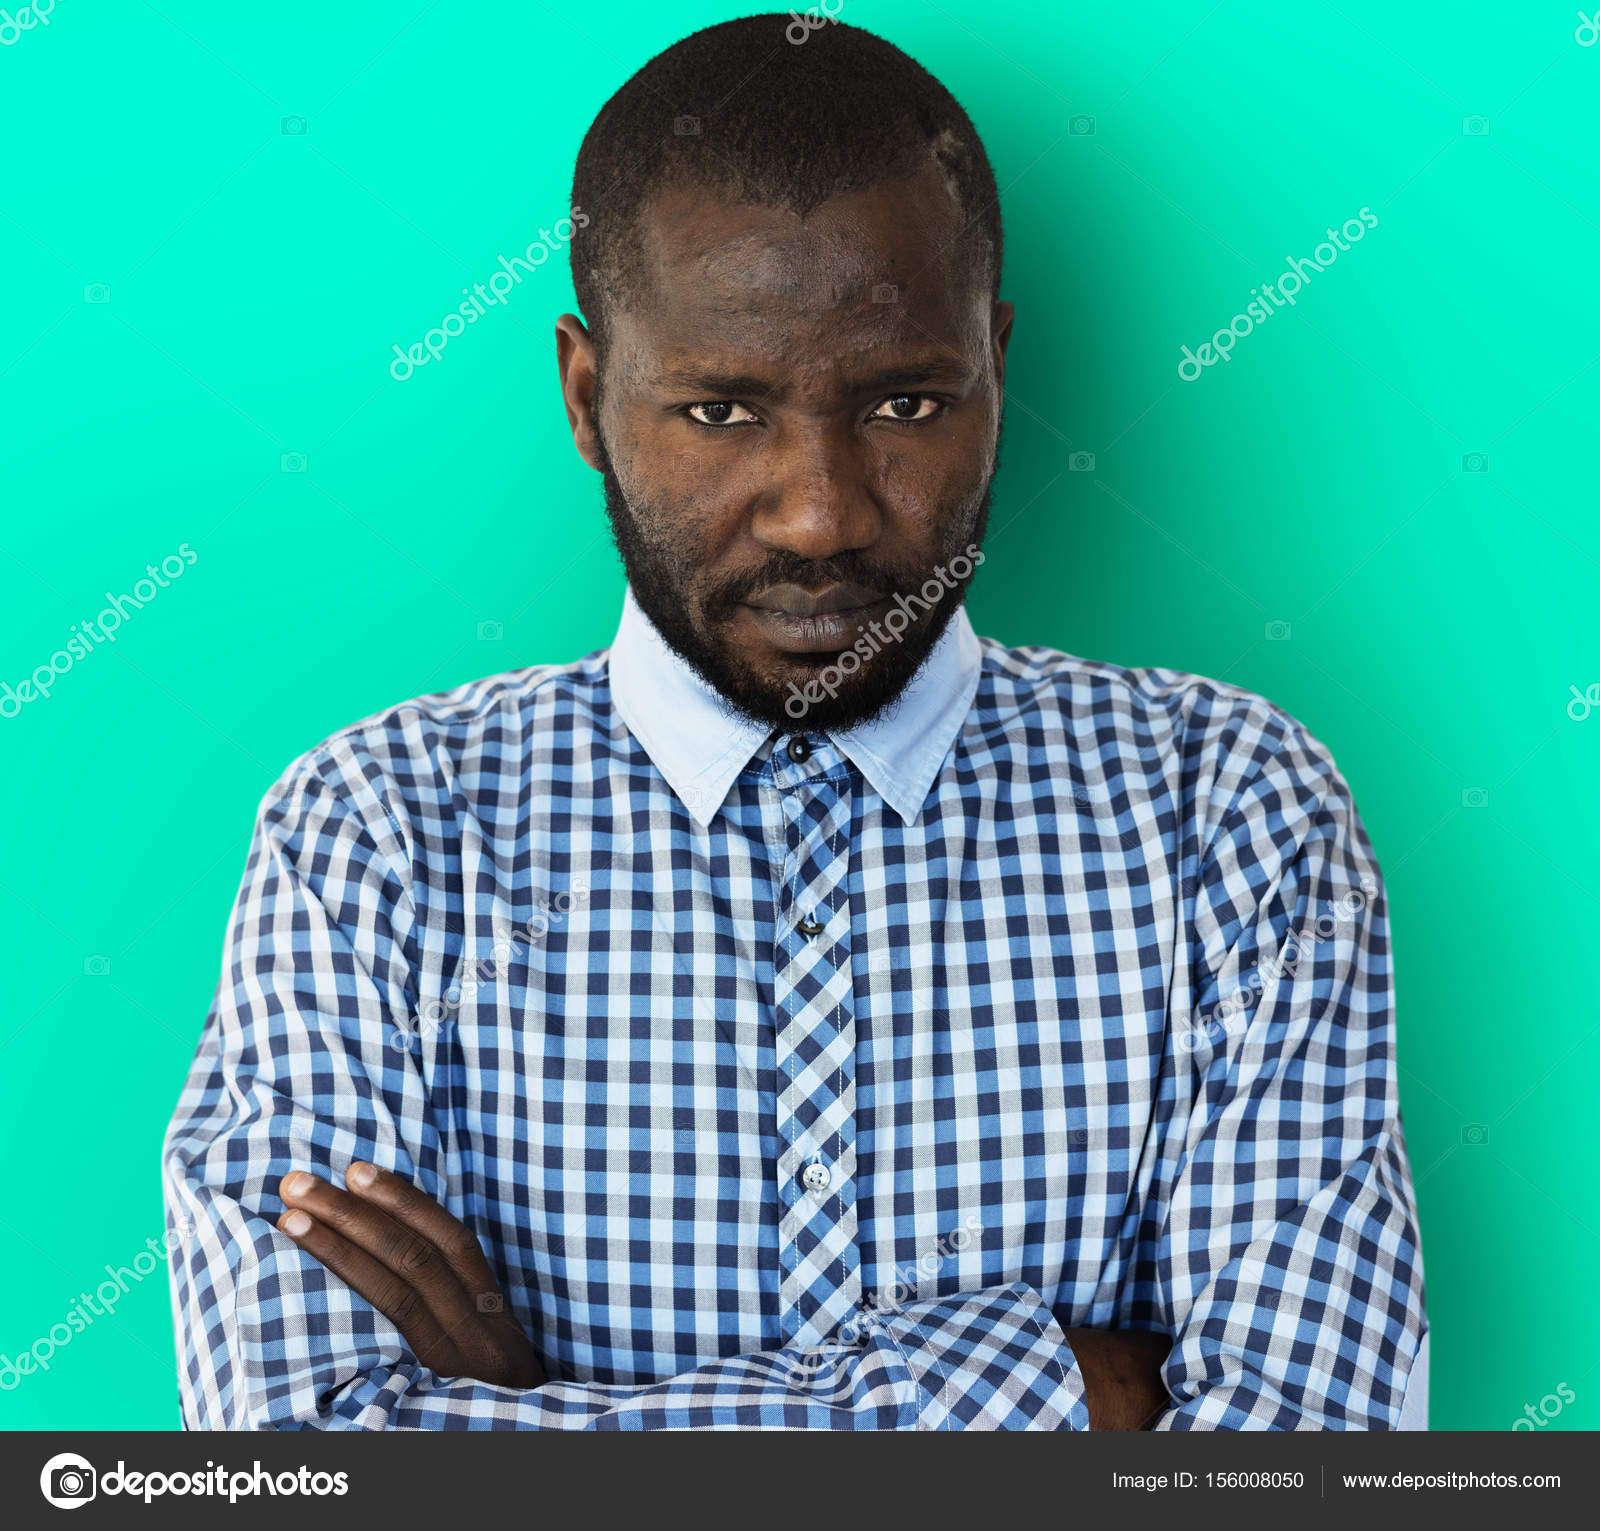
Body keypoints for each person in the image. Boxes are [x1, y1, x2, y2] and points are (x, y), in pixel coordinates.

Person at [164, 15, 1426, 1429]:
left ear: (995, 371)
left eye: (904, 400)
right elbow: (292, 1464)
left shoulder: (1230, 812)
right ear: (588, 397)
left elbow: (1314, 1459)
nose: (820, 512)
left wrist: (531, 1422)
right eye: (719, 410)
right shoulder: (377, 835)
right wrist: (1068, 1395)